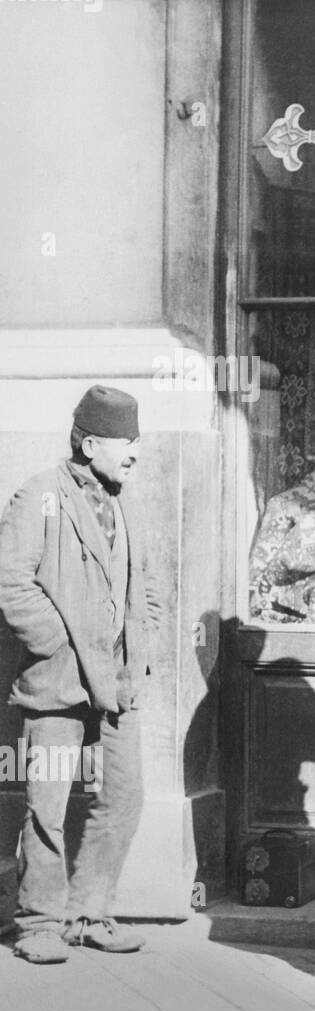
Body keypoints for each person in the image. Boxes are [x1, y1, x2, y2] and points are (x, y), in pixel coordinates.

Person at [0, 386, 161, 964]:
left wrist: (139, 649)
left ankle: (89, 914)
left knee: (123, 798)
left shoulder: (127, 501)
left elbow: (144, 586)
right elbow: (10, 581)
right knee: (46, 806)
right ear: (90, 443)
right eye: (125, 442)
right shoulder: (42, 495)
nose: (134, 453)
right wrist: (58, 644)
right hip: (57, 685)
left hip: (118, 683)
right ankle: (38, 923)